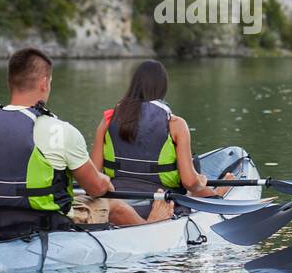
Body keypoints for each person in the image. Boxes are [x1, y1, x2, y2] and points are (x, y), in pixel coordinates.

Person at [0, 47, 139, 238]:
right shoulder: (60, 130)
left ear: (10, 83)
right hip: (49, 223)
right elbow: (95, 188)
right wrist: (106, 181)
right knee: (113, 204)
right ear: (44, 83)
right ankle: (152, 226)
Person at [91, 59, 232, 226]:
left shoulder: (108, 120)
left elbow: (93, 175)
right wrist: (203, 183)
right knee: (195, 187)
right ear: (163, 88)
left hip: (114, 203)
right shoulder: (175, 124)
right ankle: (219, 196)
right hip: (160, 203)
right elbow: (189, 182)